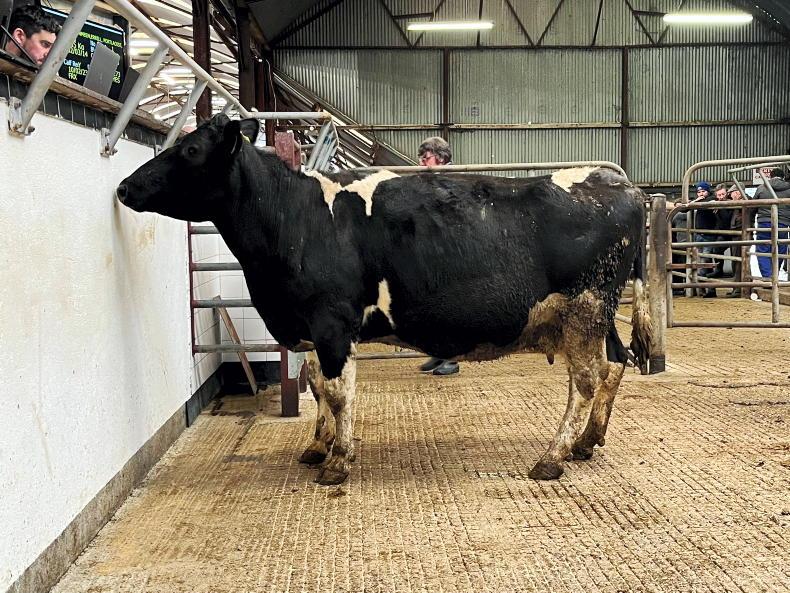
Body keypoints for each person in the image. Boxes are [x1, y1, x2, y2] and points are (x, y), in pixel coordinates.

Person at [416, 136, 460, 377]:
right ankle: (440, 352)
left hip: (452, 251)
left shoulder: (454, 178)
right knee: (436, 303)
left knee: (451, 303)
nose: (422, 163)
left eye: (426, 158)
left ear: (441, 159)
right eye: (421, 159)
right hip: (437, 249)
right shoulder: (434, 179)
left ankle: (452, 358)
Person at [751, 168, 790, 280]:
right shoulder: (789, 189)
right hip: (783, 224)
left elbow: (752, 207)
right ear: (783, 177)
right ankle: (774, 276)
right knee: (780, 250)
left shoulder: (761, 188)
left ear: (770, 176)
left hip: (764, 223)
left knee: (763, 250)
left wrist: (751, 223)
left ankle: (768, 277)